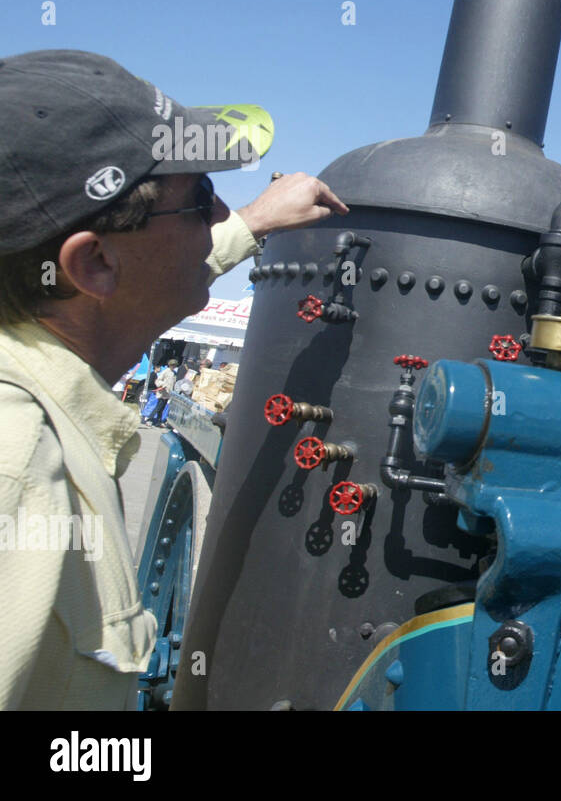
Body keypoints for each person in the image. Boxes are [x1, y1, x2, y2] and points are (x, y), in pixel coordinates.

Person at [0, 49, 349, 709]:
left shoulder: (54, 321)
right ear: (95, 262)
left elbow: (145, 271)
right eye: (198, 202)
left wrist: (256, 221)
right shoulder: (13, 459)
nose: (220, 214)